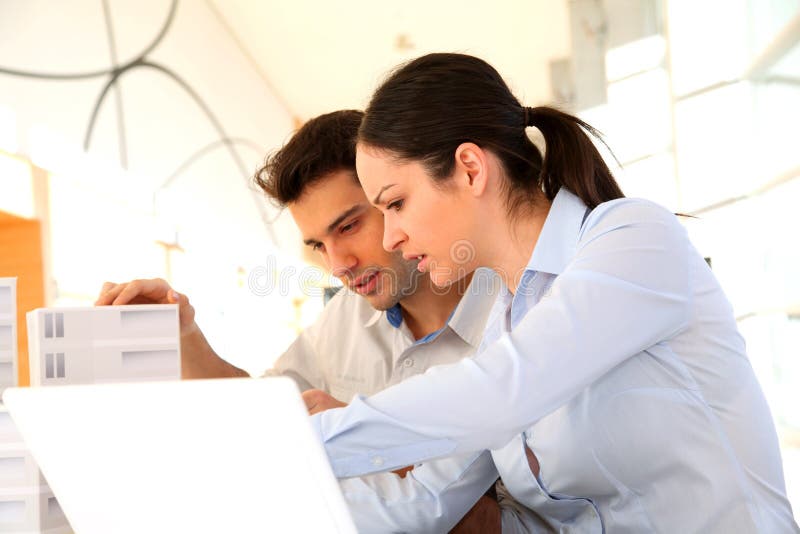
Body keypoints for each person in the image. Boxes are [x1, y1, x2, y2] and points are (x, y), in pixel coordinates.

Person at [308, 53, 800, 532]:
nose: (390, 236)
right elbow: (424, 500)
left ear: (471, 169)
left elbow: (499, 392)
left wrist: (295, 440)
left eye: (395, 202)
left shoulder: (634, 238)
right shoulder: (501, 332)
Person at [95, 110, 543, 532]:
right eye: (318, 246)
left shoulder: (517, 315)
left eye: (348, 227)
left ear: (393, 199)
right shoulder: (346, 315)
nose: (339, 264)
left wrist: (362, 437)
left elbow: (507, 521)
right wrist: (184, 334)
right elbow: (260, 409)